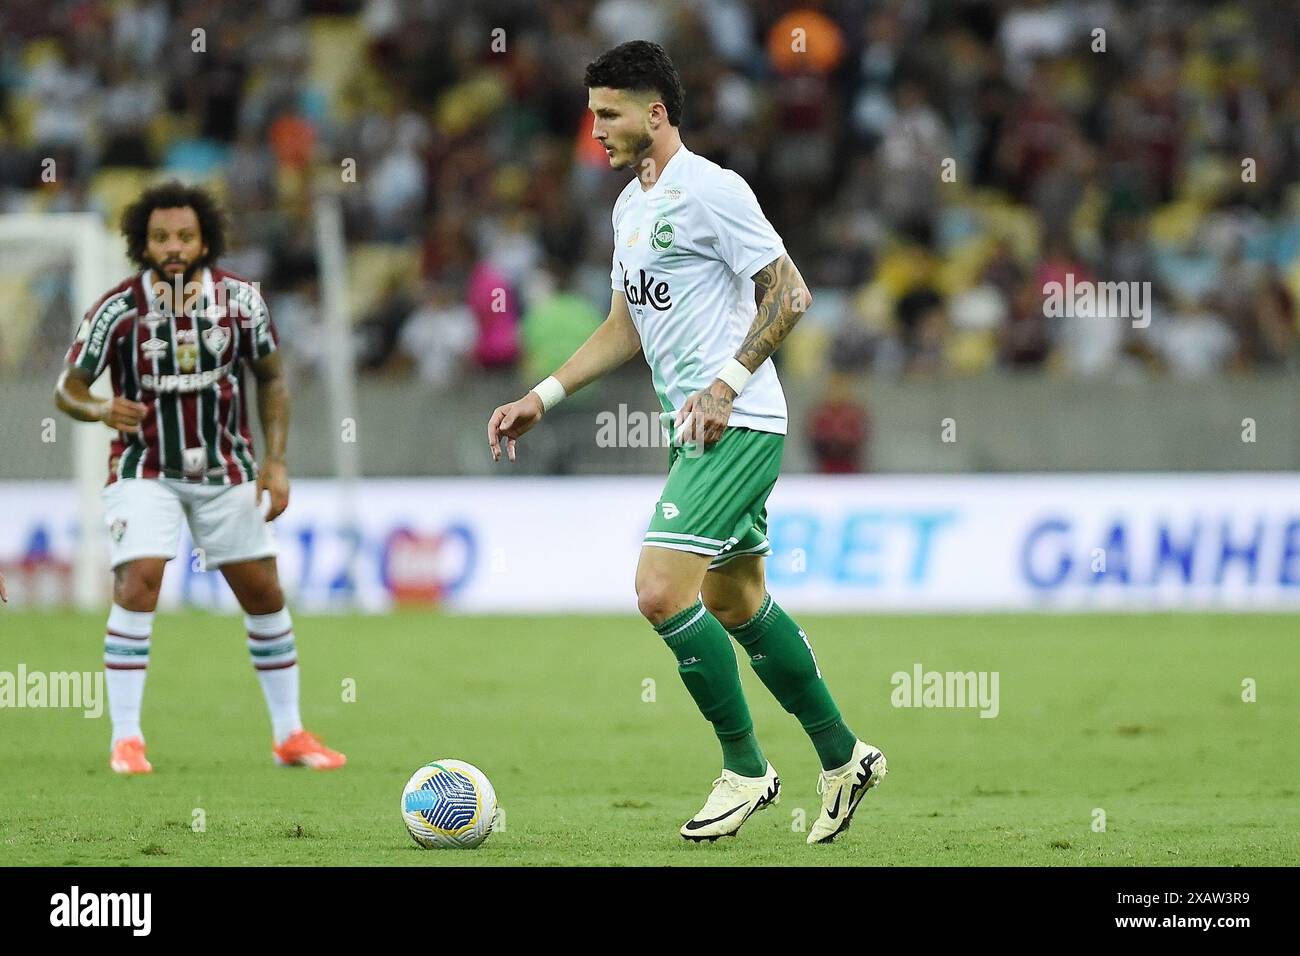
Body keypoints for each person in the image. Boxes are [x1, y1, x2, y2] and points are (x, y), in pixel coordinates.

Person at [487, 41, 885, 844]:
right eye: (592, 111)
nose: (594, 128)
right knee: (731, 599)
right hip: (695, 429)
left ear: (655, 114)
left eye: (608, 113)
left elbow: (791, 292)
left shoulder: (712, 189)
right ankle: (844, 756)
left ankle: (746, 770)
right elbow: (622, 328)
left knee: (659, 591)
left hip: (737, 422)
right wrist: (543, 396)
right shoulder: (629, 207)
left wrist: (727, 382)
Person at [53, 181, 345, 774]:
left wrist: (277, 459)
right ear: (143, 244)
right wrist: (100, 409)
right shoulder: (117, 309)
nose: (174, 247)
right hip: (144, 467)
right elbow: (68, 388)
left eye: (185, 235)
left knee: (263, 592)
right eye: (161, 237)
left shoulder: (242, 303)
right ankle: (126, 739)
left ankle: (289, 734)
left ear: (206, 239)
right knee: (141, 578)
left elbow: (273, 379)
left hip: (225, 466)